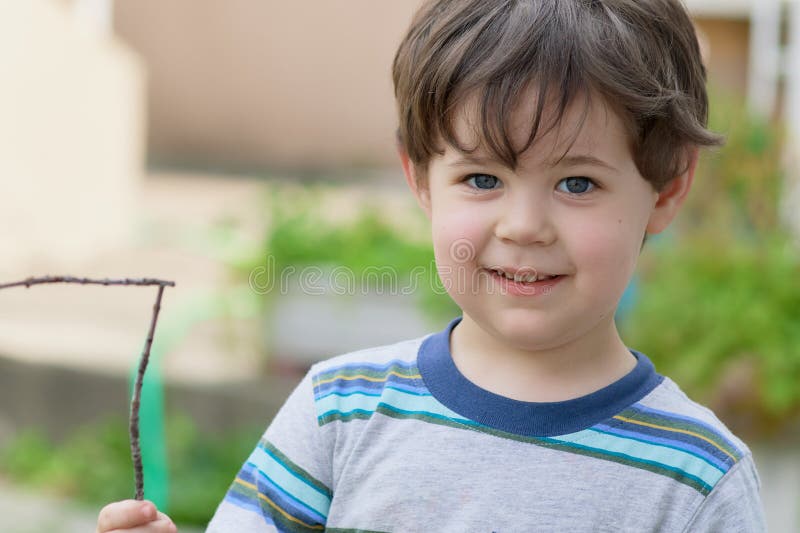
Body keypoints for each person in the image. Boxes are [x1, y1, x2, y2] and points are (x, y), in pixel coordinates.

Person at [97, 0, 767, 531]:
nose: (523, 226)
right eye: (481, 179)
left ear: (669, 186)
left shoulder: (698, 479)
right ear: (420, 179)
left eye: (577, 184)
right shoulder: (341, 411)